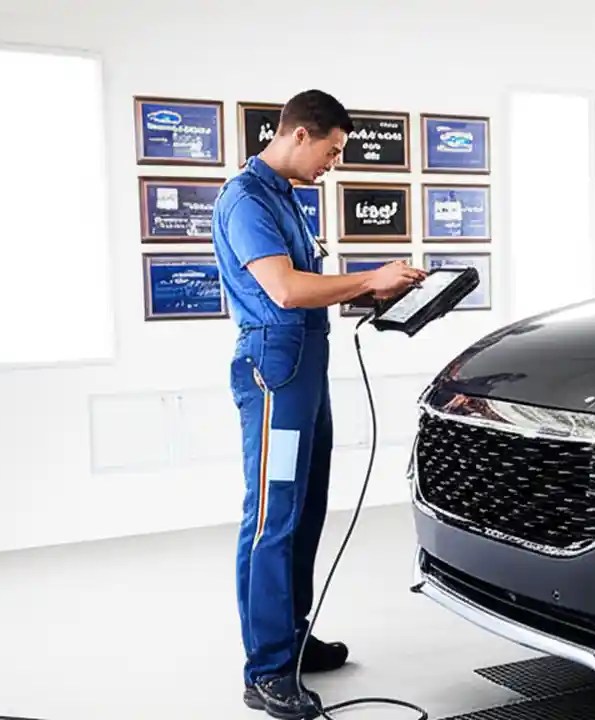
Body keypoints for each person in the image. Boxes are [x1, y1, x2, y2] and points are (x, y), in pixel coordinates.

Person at [211, 88, 425, 719]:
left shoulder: (285, 199)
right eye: (331, 151)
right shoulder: (246, 199)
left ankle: (292, 637)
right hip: (274, 372)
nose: (334, 163)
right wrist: (370, 277)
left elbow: (310, 288)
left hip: (306, 364)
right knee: (272, 516)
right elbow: (282, 289)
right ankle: (268, 669)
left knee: (305, 510)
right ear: (299, 134)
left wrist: (382, 295)